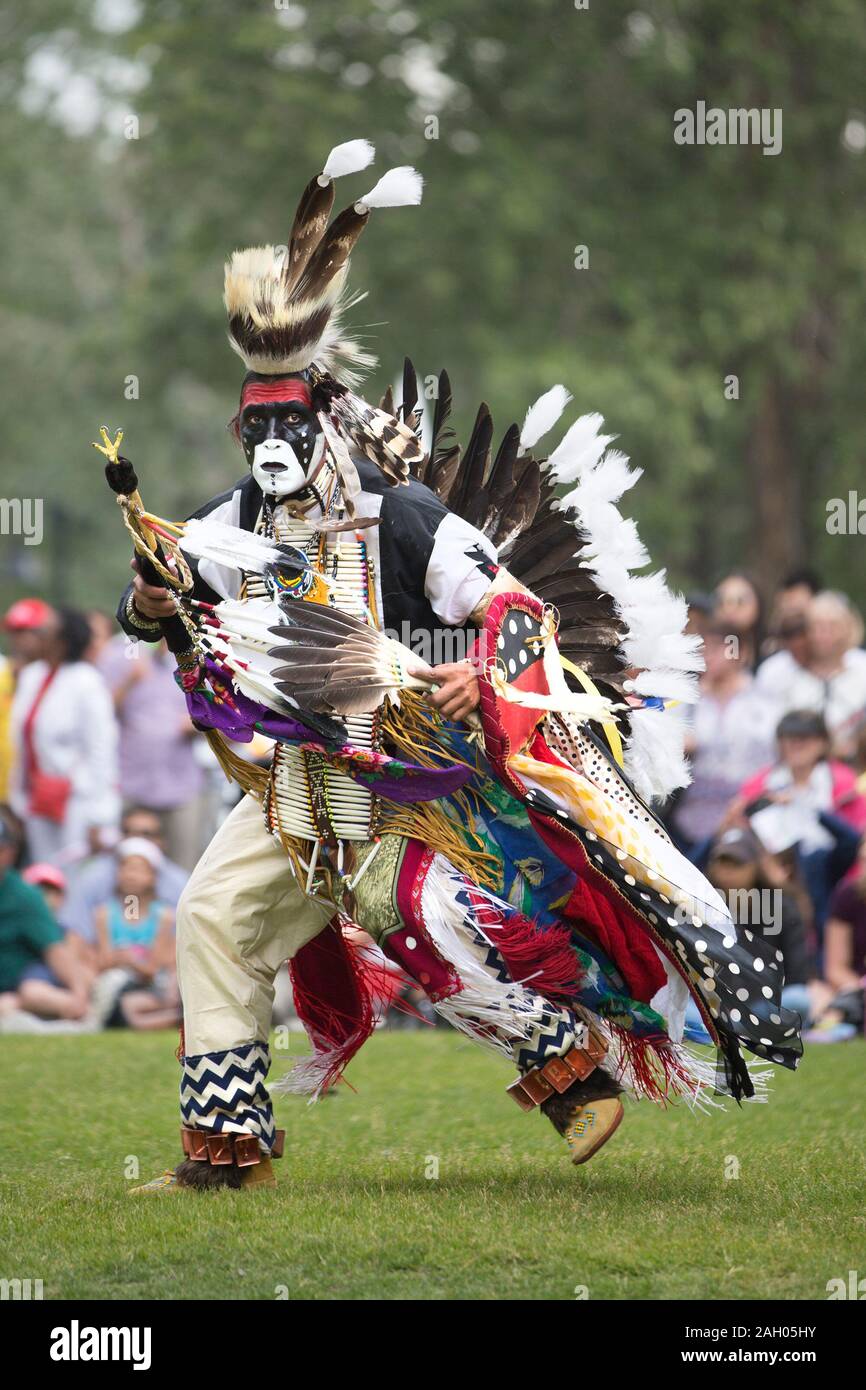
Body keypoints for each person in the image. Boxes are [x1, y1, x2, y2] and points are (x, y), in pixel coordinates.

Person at [104, 141, 800, 1193]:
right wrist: (151, 600)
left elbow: (512, 606)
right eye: (256, 430)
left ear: (324, 422)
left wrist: (483, 666)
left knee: (423, 919)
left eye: (288, 425)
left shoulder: (402, 516)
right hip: (294, 787)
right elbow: (153, 599)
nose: (271, 449)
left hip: (416, 775)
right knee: (208, 916)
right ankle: (227, 1152)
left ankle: (571, 1070)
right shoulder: (226, 523)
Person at [9, 607, 120, 863]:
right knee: (41, 874)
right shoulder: (31, 676)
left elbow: (102, 750)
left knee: (70, 881)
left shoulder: (87, 682)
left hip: (76, 801)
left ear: (62, 640)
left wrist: (101, 813)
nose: (36, 635)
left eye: (44, 631)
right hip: (36, 798)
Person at [97, 635, 206, 870]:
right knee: (126, 867)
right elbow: (99, 713)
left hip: (180, 786)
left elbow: (218, 714)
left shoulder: (193, 655)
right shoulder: (121, 652)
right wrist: (129, 680)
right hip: (132, 783)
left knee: (183, 866)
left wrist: (197, 722)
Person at [671, 618, 779, 851]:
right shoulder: (685, 700)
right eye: (704, 648)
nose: (709, 655)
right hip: (691, 813)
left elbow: (776, 758)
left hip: (748, 810)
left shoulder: (765, 700)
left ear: (741, 652)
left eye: (719, 647)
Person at [0, 805, 94, 1024]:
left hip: (19, 985)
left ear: (8, 853)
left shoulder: (23, 896)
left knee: (32, 992)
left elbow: (55, 950)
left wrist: (78, 993)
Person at [754, 590, 866, 757]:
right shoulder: (777, 672)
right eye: (817, 626)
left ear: (849, 628)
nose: (825, 634)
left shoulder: (861, 669)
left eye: (833, 626)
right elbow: (763, 729)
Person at [59, 804, 187, 946]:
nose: (137, 840)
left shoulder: (180, 883)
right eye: (129, 832)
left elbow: (184, 944)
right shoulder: (93, 876)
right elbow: (75, 935)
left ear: (162, 841)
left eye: (147, 834)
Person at [92, 838, 180, 1031]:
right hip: (118, 987)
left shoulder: (164, 916)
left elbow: (153, 969)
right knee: (126, 1006)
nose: (132, 875)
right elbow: (103, 962)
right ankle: (176, 1018)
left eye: (139, 869)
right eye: (127, 868)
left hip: (152, 988)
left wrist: (128, 959)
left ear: (153, 876)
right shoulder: (104, 914)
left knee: (132, 1008)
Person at [713, 571, 764, 670]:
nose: (729, 609)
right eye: (722, 602)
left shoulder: (772, 659)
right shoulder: (701, 661)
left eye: (740, 602)